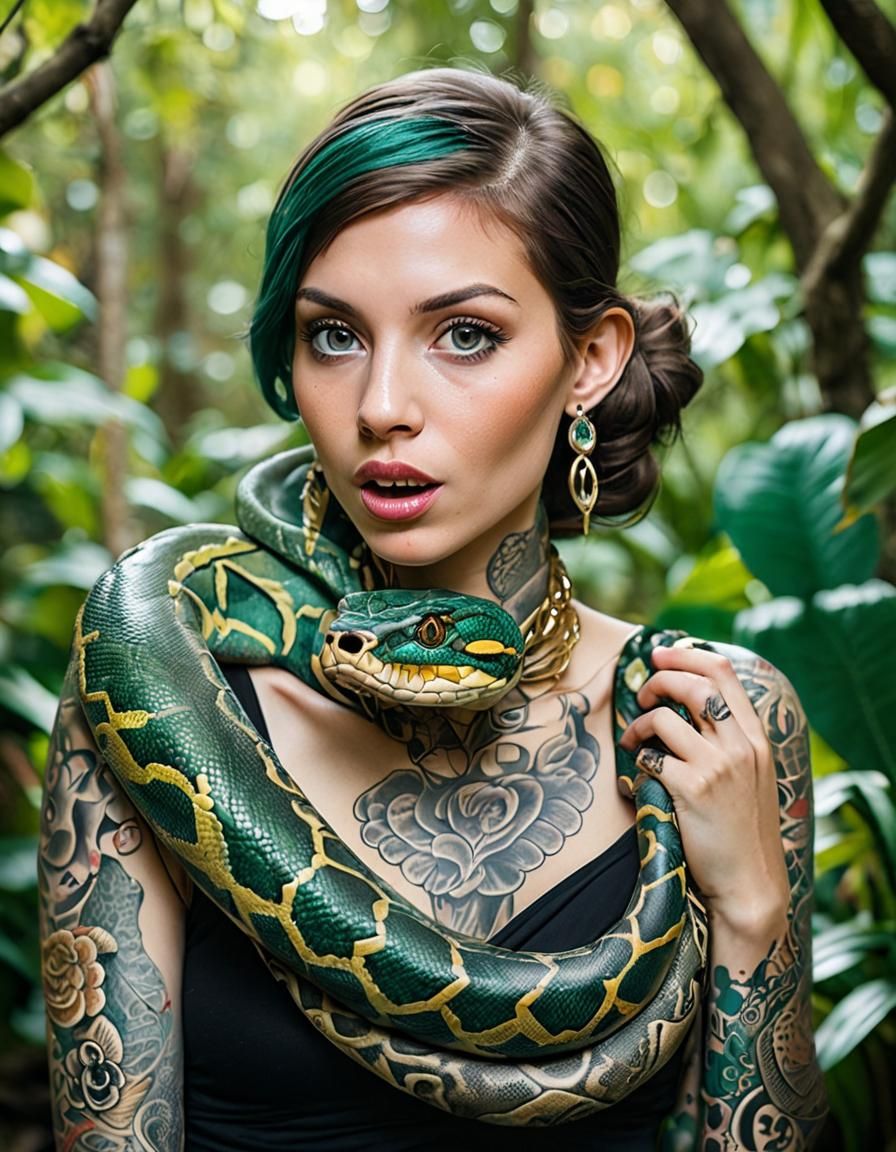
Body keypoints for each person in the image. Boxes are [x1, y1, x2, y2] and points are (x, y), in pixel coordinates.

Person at [38, 67, 827, 1150]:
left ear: (588, 359)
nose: (381, 408)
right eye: (333, 335)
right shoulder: (145, 709)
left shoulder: (717, 723)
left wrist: (753, 918)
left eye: (463, 334)